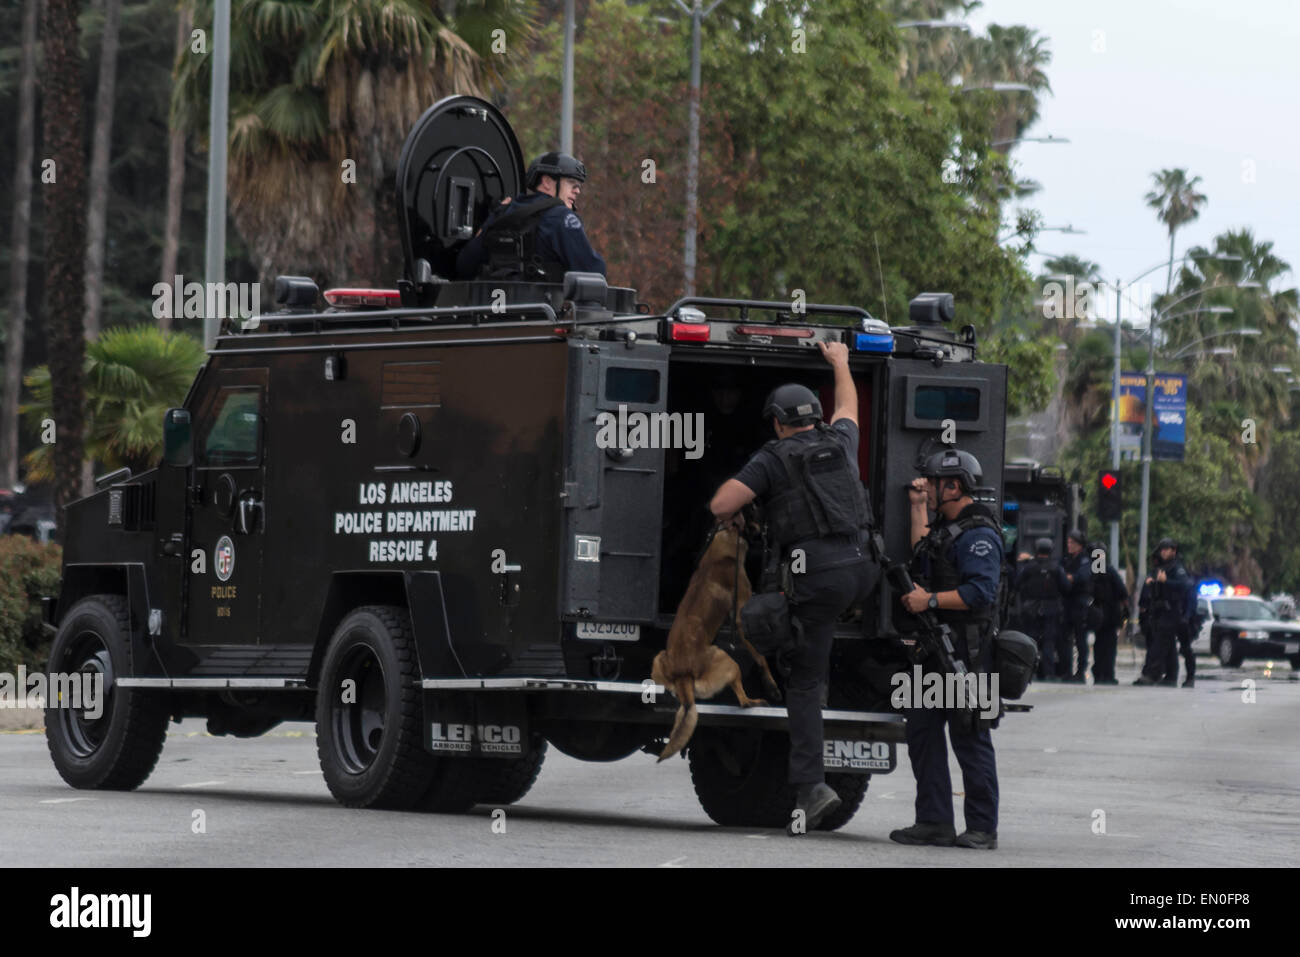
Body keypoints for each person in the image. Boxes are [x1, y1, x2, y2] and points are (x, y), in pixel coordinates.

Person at [710, 341, 878, 835]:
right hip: (864, 570)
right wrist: (841, 362)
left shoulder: (774, 456)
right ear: (815, 416)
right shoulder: (840, 440)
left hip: (821, 578)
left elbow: (722, 505)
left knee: (802, 677)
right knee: (816, 635)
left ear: (778, 422)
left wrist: (743, 501)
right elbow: (848, 406)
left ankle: (811, 787)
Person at [890, 448, 1003, 850]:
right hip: (933, 650)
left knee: (970, 737)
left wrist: (931, 600)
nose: (930, 488)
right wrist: (917, 505)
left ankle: (982, 828)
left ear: (954, 486)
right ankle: (934, 821)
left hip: (967, 654)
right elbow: (923, 553)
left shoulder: (978, 535)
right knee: (922, 733)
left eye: (935, 484)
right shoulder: (946, 530)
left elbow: (981, 592)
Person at [455, 151, 606, 281]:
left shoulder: (503, 211)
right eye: (571, 183)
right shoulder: (561, 217)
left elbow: (464, 265)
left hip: (495, 303)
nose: (577, 191)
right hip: (543, 305)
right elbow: (593, 272)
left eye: (578, 186)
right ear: (547, 182)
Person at [1135, 538, 1191, 686]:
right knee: (1169, 646)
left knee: (1158, 645)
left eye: (1167, 550)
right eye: (1162, 550)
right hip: (1158, 612)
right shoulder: (1160, 567)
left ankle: (1151, 674)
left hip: (1171, 611)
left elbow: (1184, 585)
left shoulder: (1176, 568)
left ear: (1174, 551)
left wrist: (1166, 581)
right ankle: (1171, 676)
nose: (1164, 553)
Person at [1013, 537, 1069, 681]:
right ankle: (1049, 673)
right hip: (1051, 609)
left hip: (1030, 609)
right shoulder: (1056, 568)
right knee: (1049, 641)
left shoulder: (1029, 567)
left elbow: (1017, 584)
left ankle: (1031, 672)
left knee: (1031, 641)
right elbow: (1066, 587)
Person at [1088, 543, 1129, 685]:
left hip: (1097, 614)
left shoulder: (1091, 572)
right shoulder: (1110, 571)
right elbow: (1123, 591)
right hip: (1111, 614)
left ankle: (1099, 673)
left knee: (1099, 645)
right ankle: (1107, 674)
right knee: (1109, 646)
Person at [1059, 530, 1093, 682]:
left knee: (1080, 640)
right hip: (1067, 602)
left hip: (1080, 603)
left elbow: (1083, 576)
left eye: (1072, 543)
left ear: (1079, 545)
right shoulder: (1066, 559)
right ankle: (1066, 670)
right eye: (1068, 542)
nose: (1069, 545)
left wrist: (1071, 577)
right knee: (1064, 639)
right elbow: (1059, 573)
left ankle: (1080, 672)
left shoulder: (1085, 560)